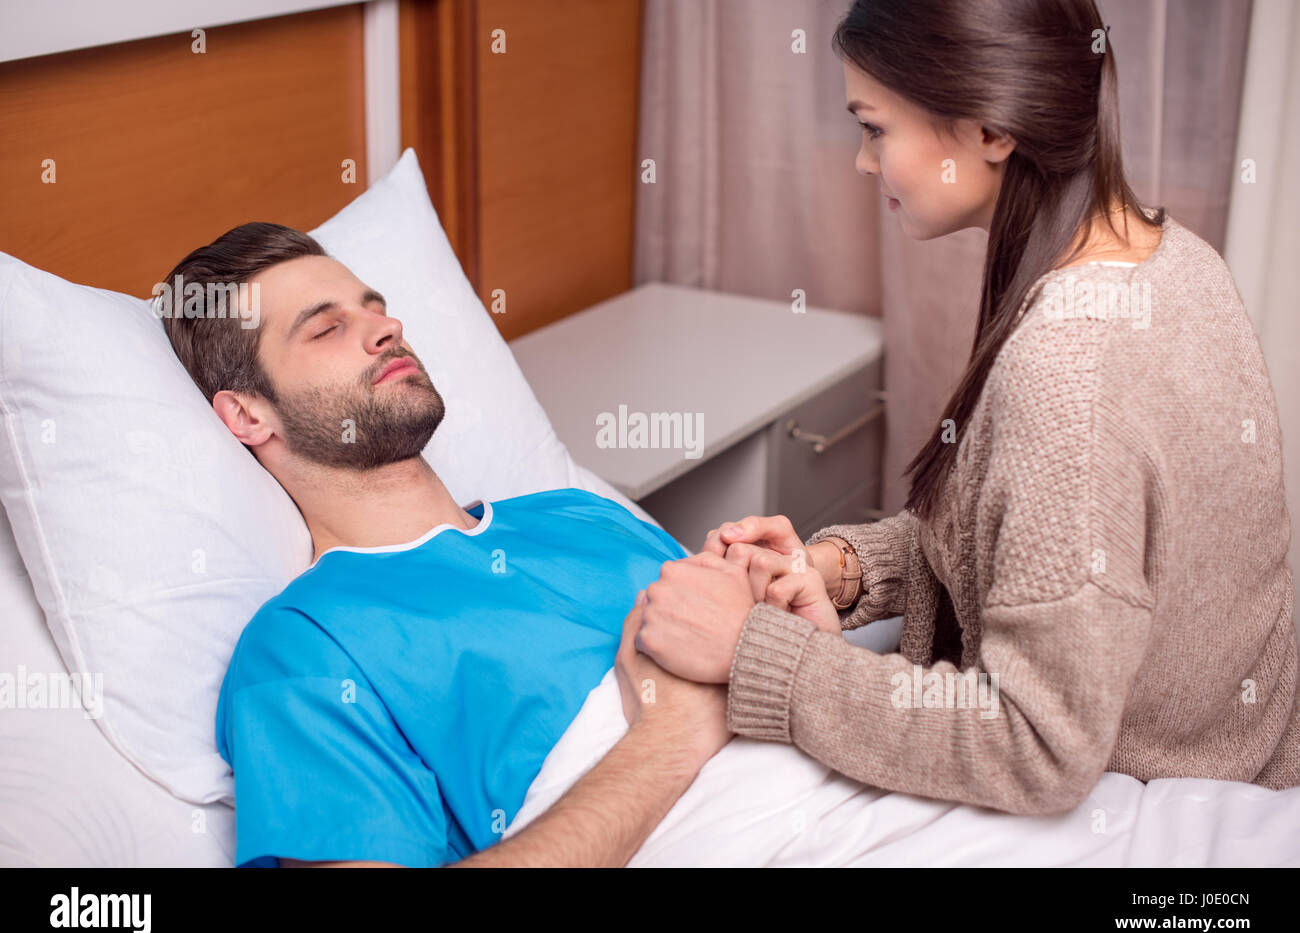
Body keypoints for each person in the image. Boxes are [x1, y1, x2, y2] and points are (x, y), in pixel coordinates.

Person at [626, 0, 1300, 813]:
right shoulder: (1173, 257)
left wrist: (752, 651)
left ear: (990, 130)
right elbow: (1039, 545)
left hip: (1173, 796)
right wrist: (840, 570)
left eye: (874, 128)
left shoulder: (1067, 368)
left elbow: (1036, 744)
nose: (863, 164)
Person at [158, 222, 735, 867]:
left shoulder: (579, 514)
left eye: (375, 309)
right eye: (326, 329)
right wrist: (669, 737)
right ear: (247, 415)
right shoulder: (304, 646)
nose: (386, 328)